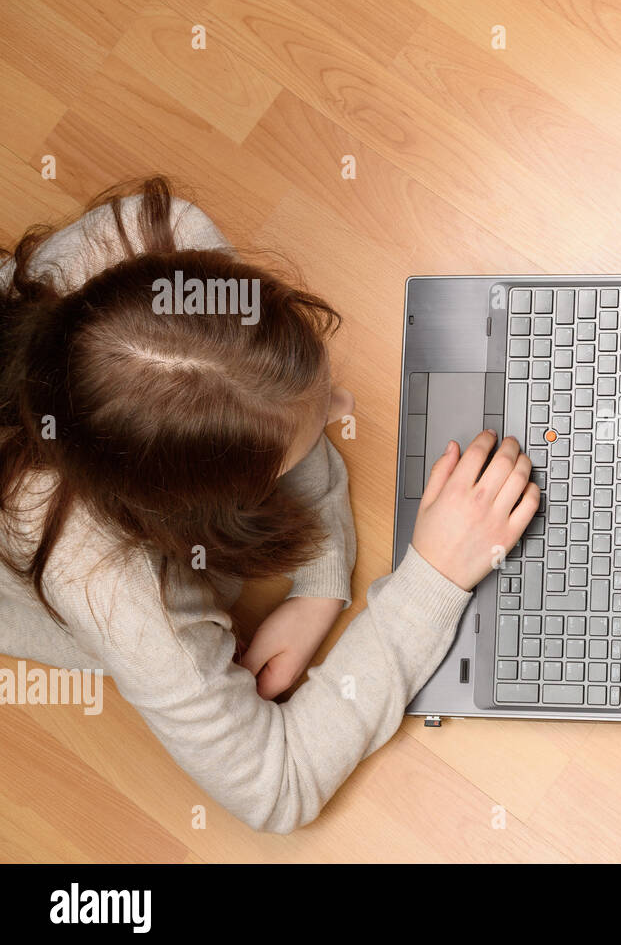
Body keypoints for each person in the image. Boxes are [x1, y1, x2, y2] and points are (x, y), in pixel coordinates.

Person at [0, 177, 537, 833]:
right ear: (203, 511)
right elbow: (275, 789)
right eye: (313, 431)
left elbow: (265, 401)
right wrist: (433, 579)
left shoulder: (154, 238)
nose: (345, 411)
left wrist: (319, 583)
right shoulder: (121, 601)